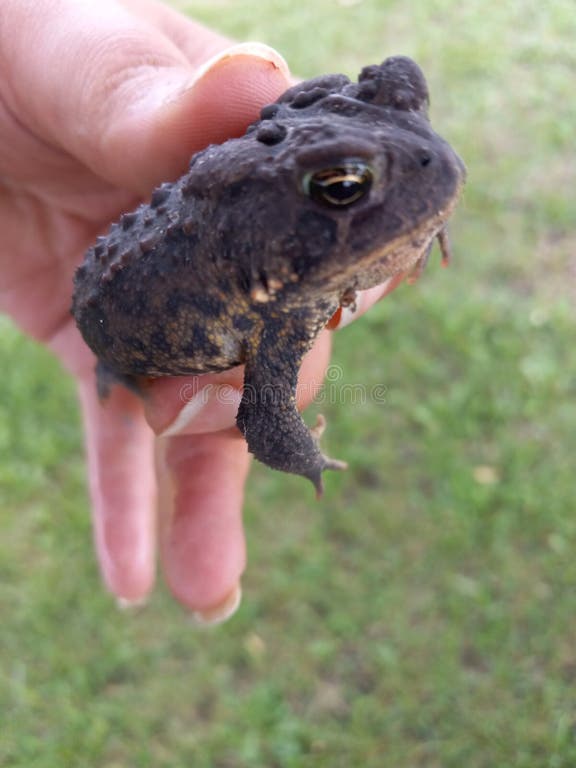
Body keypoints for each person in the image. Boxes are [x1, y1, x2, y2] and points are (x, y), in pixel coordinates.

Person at [0, 0, 398, 623]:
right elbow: (267, 422)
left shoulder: (288, 263)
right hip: (116, 317)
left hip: (151, 246)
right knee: (168, 388)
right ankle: (116, 373)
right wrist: (306, 455)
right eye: (346, 189)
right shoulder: (283, 306)